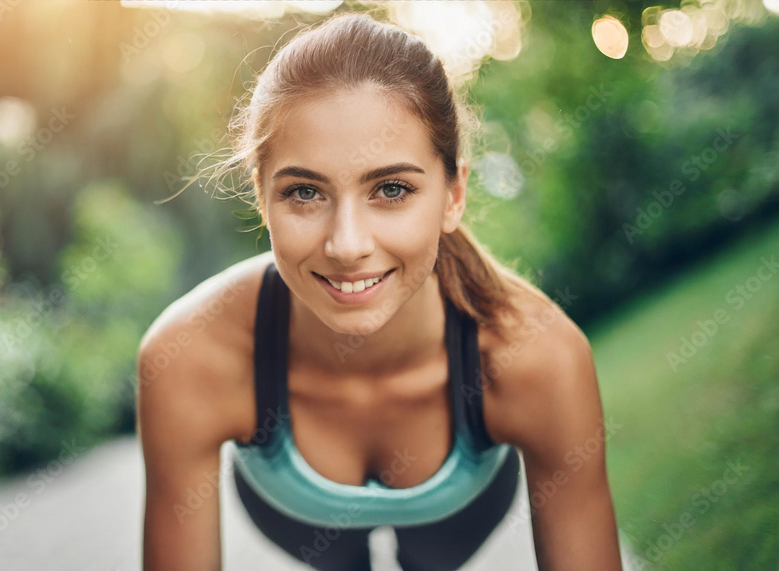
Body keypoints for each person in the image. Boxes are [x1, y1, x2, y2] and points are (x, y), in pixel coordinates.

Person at [137, 12, 622, 571]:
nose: (347, 244)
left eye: (391, 189)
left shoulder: (541, 356)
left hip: (458, 521)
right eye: (303, 192)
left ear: (453, 195)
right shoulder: (186, 356)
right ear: (261, 198)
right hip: (297, 523)